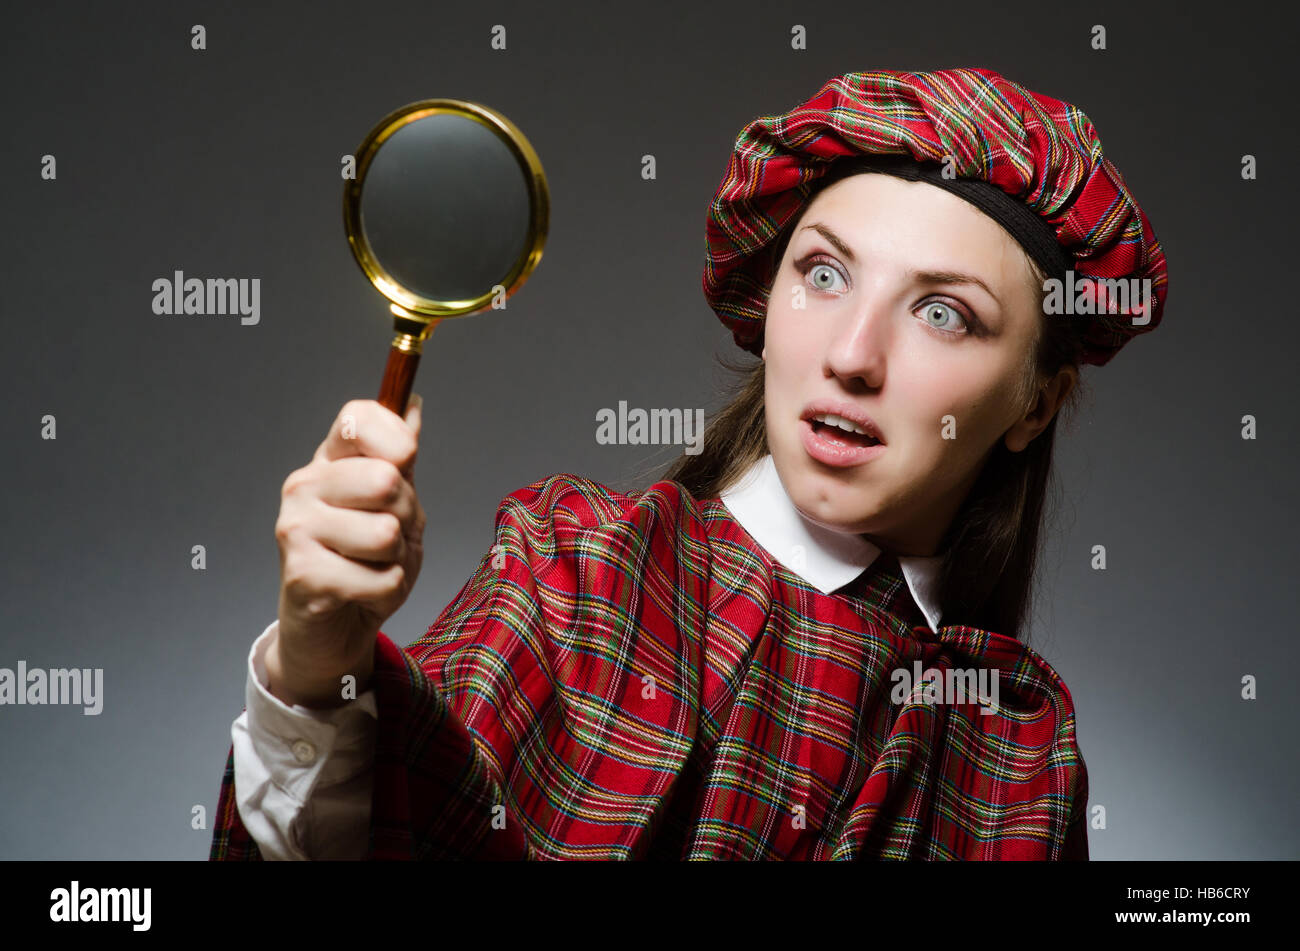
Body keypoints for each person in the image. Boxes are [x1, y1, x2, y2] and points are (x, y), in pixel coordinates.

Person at [210, 66, 1167, 861]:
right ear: (769, 297)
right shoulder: (577, 569)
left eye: (942, 312)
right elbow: (388, 825)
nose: (851, 354)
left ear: (1034, 402)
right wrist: (316, 666)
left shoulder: (1021, 748)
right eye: (824, 275)